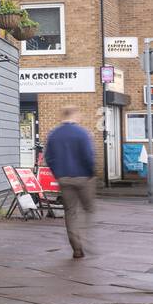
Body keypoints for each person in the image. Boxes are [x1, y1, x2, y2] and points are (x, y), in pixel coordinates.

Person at [43, 106, 96, 258]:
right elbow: (88, 155)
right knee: (88, 209)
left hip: (64, 178)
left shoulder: (54, 134)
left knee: (70, 212)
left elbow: (49, 157)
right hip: (83, 177)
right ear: (75, 114)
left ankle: (77, 248)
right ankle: (88, 240)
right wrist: (91, 172)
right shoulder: (82, 133)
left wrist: (57, 173)